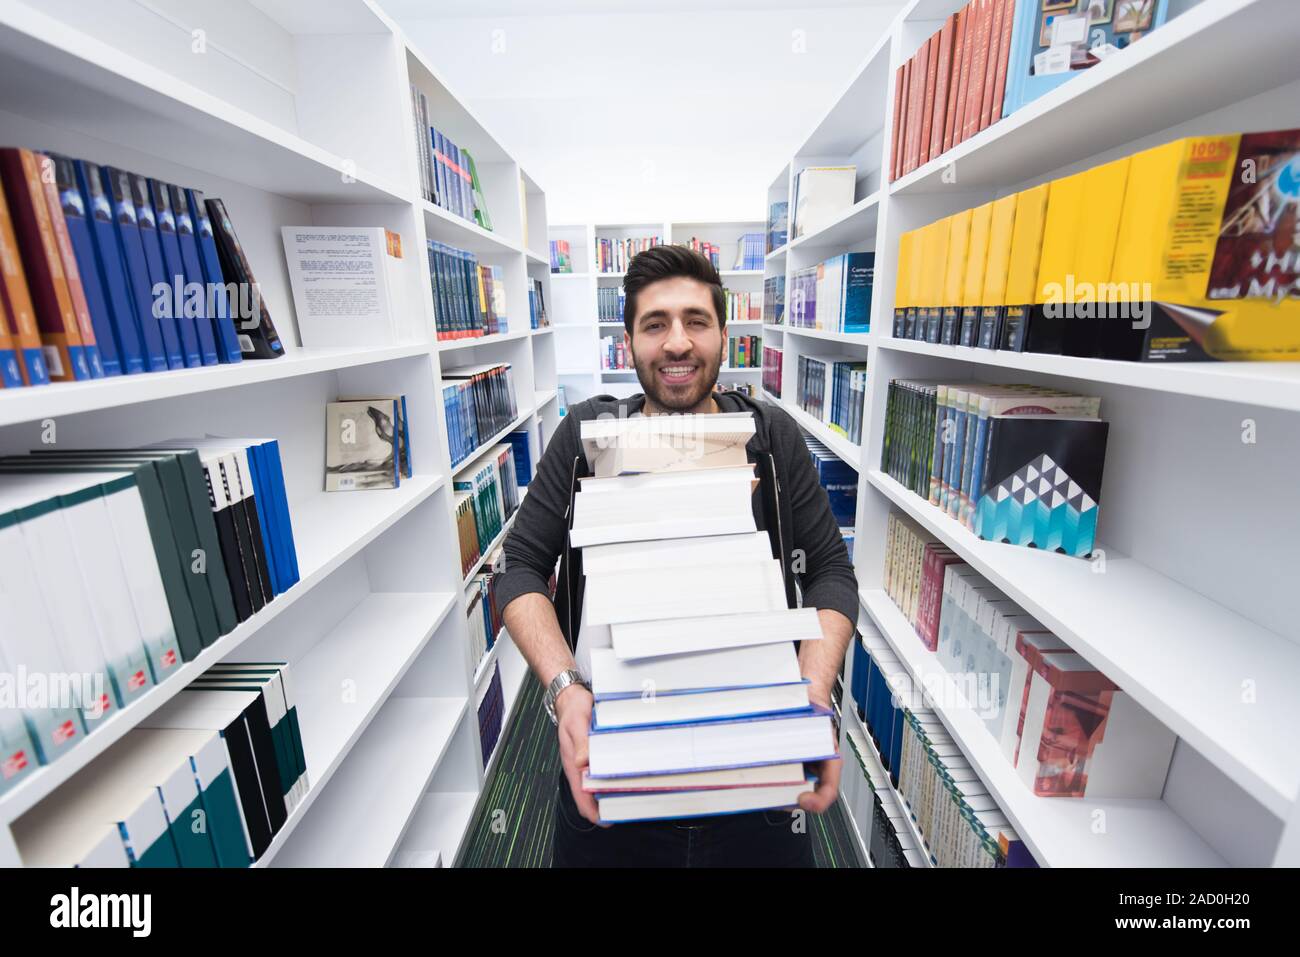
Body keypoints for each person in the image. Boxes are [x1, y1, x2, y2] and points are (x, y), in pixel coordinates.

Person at [496, 244, 858, 867]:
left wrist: (812, 695)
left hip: (755, 776)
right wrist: (565, 691)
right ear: (631, 342)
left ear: (723, 332)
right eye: (655, 324)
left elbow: (830, 572)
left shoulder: (773, 439)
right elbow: (519, 568)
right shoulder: (586, 436)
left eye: (696, 320)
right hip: (614, 769)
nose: (677, 343)